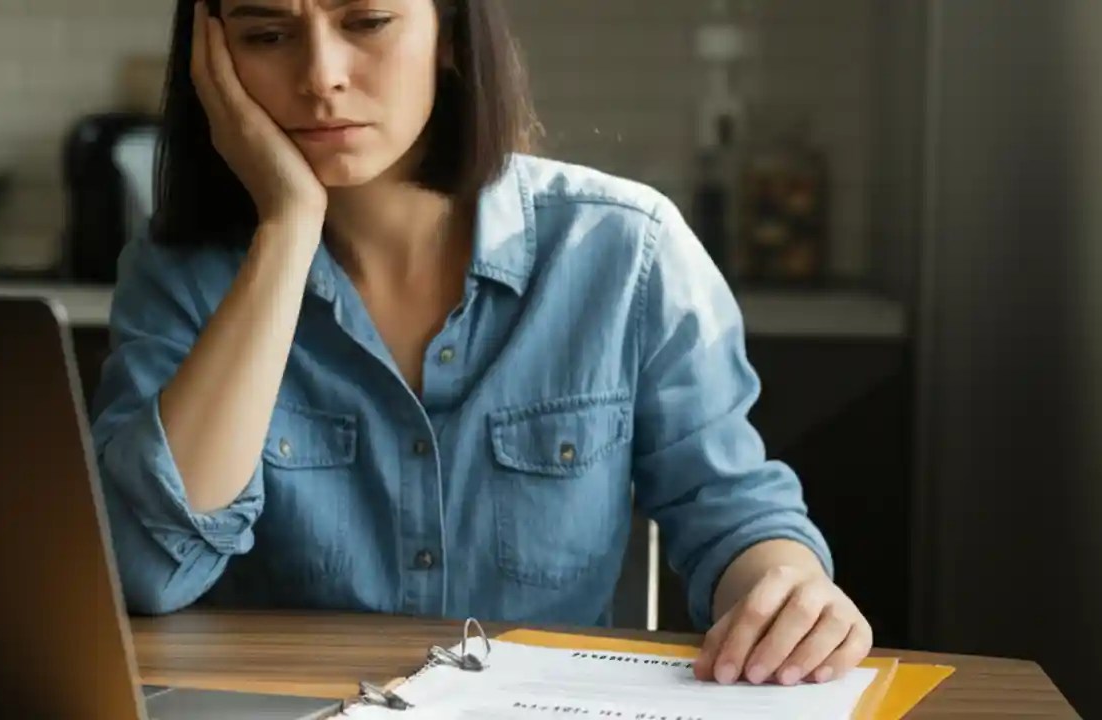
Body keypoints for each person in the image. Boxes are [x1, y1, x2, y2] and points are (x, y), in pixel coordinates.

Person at [89, 0, 872, 688]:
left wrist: (789, 595)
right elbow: (148, 572)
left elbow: (732, 514)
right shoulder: (180, 277)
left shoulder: (626, 251)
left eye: (368, 22)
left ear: (452, 36)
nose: (321, 76)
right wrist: (289, 225)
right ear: (214, 61)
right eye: (266, 35)